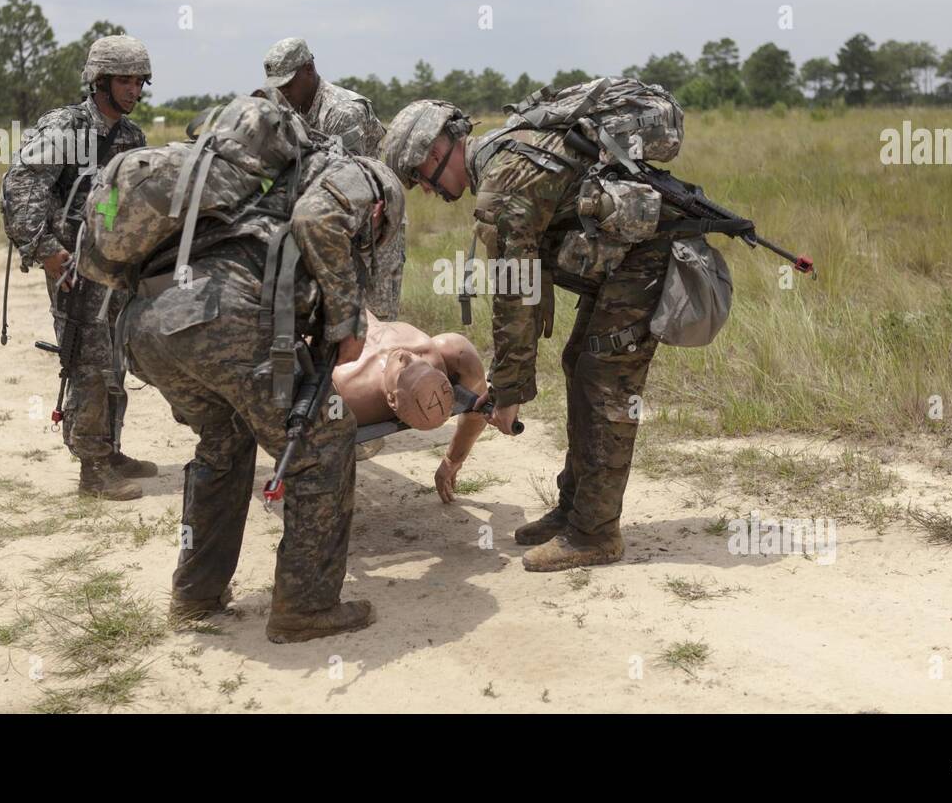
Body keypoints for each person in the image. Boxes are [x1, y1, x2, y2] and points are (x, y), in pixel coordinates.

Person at [119, 92, 406, 642]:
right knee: (323, 444)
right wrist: (348, 321)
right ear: (381, 210)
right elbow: (318, 220)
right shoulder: (358, 180)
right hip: (217, 317)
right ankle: (306, 606)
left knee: (223, 444)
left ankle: (196, 593)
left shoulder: (246, 192)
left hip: (145, 324)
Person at [382, 99, 677, 571]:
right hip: (622, 269)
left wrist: (510, 390)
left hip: (641, 266)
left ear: (439, 148)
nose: (425, 189)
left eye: (418, 174)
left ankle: (596, 533)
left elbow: (515, 293)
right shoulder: (506, 156)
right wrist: (510, 383)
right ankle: (573, 510)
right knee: (579, 366)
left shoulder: (503, 183)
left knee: (604, 384)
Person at [0, 34, 156, 500]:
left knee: (116, 358)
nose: (134, 91)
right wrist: (46, 251)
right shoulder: (63, 129)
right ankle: (92, 467)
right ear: (99, 81)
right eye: (124, 81)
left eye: (139, 82)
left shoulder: (130, 136)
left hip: (116, 266)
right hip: (71, 267)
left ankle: (110, 449)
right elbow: (20, 190)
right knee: (88, 361)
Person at [334, 310, 488, 502]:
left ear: (392, 399)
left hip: (307, 314)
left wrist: (452, 461)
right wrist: (453, 460)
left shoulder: (350, 388)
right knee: (457, 347)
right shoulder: (439, 354)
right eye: (418, 361)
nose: (406, 355)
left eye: (404, 369)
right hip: (346, 298)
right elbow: (480, 407)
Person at [257, 37, 384, 157]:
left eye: (288, 85)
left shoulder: (343, 112)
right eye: (277, 87)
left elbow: (345, 174)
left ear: (309, 69)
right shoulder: (292, 109)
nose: (282, 93)